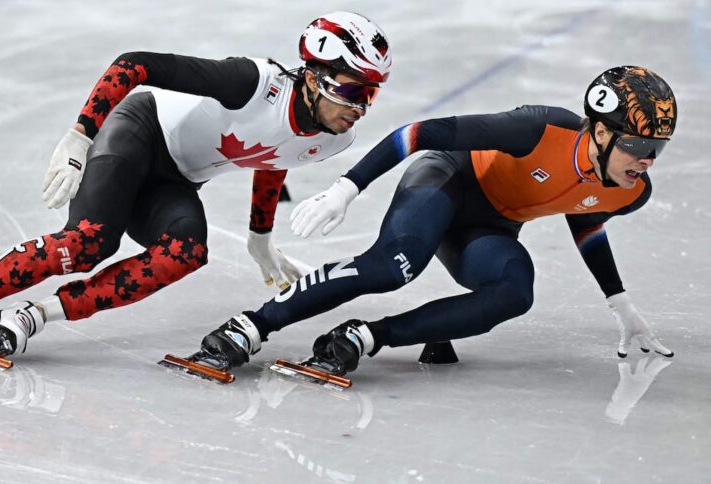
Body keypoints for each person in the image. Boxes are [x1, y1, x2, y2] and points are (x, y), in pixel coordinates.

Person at [0, 11, 393, 361]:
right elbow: (134, 65)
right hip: (139, 132)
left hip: (175, 177)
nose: (358, 108)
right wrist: (81, 134)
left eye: (368, 96)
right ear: (310, 75)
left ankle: (33, 314)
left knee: (187, 252)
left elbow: (278, 155)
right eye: (349, 90)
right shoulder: (251, 82)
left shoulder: (331, 142)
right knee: (87, 244)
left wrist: (260, 238)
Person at [195, 66, 677, 376]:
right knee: (393, 265)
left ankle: (365, 336)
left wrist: (620, 304)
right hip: (447, 179)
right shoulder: (538, 128)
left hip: (488, 227)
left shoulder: (632, 188)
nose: (647, 160)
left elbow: (587, 213)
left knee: (515, 291)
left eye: (657, 149)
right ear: (598, 132)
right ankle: (249, 327)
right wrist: (347, 187)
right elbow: (418, 133)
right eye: (638, 146)